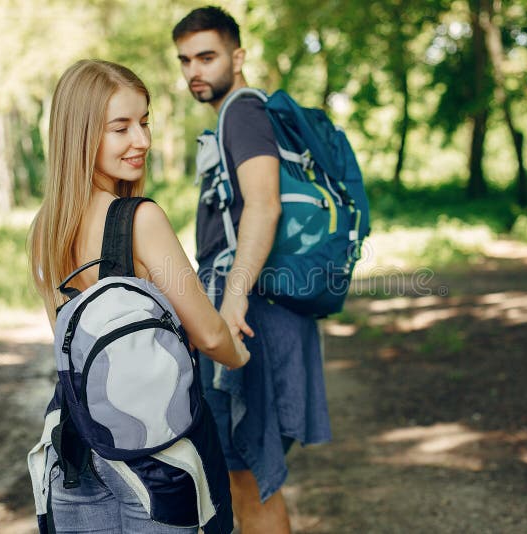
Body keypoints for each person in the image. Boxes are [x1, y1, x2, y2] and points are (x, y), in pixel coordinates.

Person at [27, 59, 249, 533]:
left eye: (144, 122)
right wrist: (239, 353)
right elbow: (209, 334)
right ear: (81, 133)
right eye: (121, 127)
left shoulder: (45, 228)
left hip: (76, 444)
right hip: (158, 448)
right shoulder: (139, 220)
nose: (142, 141)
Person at [172, 7, 332, 533]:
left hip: (250, 313)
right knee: (246, 476)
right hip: (261, 308)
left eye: (207, 56)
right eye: (185, 60)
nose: (195, 70)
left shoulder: (241, 112)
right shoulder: (238, 115)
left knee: (248, 476)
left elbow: (265, 204)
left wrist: (233, 298)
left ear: (237, 57)